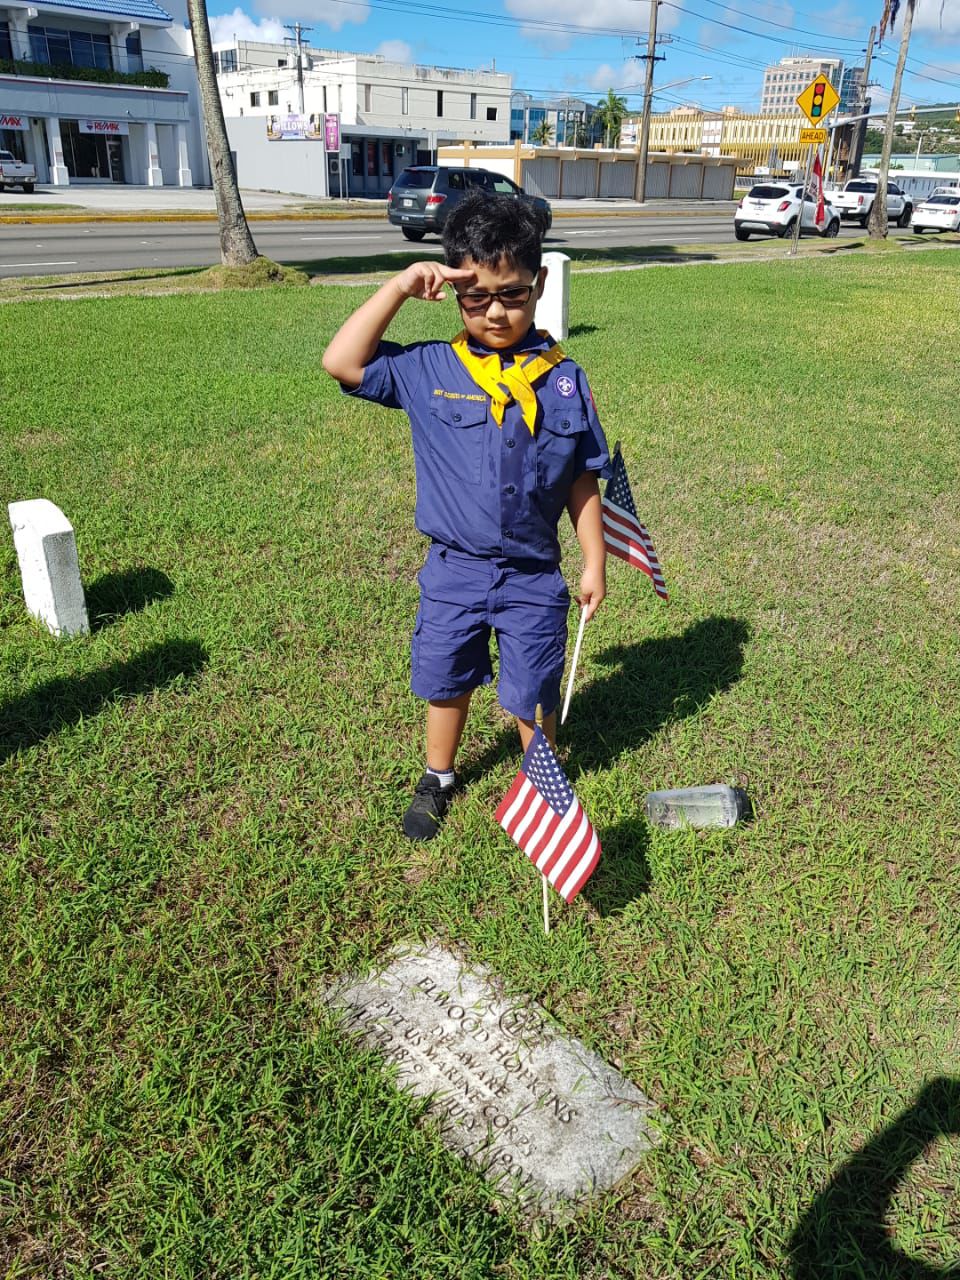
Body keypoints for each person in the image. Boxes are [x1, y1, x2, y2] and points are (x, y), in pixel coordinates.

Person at [322, 192, 610, 840]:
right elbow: (340, 361)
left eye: (512, 293)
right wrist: (398, 287)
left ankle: (542, 783)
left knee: (533, 687)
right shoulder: (430, 369)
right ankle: (439, 776)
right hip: (455, 570)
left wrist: (593, 560)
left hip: (534, 575)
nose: (497, 311)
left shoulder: (564, 379)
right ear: (453, 290)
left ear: (538, 285)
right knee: (446, 678)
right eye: (477, 296)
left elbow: (581, 477)